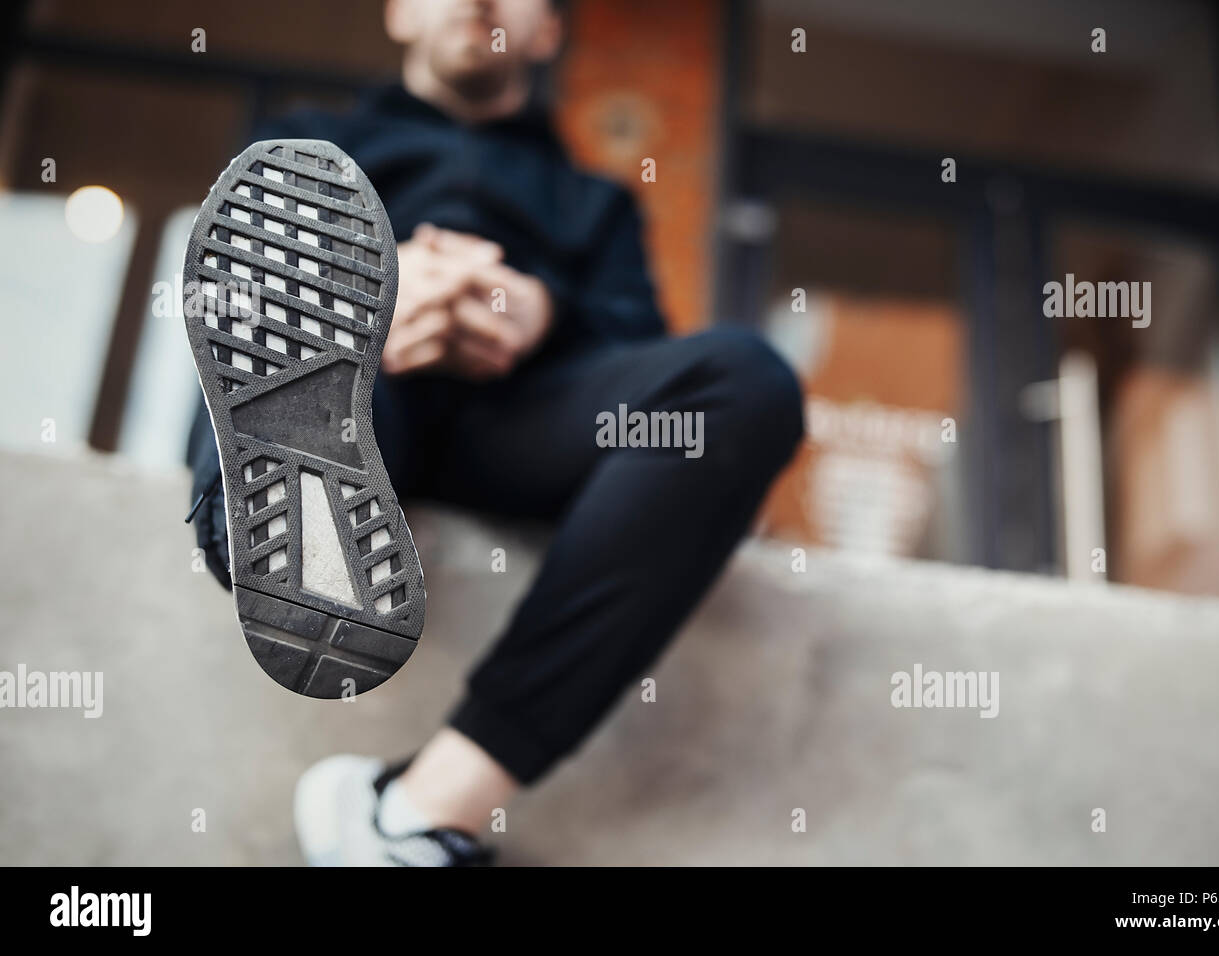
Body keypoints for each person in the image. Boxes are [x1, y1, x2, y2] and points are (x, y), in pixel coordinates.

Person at [187, 0, 804, 866]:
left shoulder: (597, 205)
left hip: (524, 425)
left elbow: (638, 357)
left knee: (743, 383)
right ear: (401, 12)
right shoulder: (313, 142)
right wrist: (391, 302)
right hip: (366, 398)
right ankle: (273, 524)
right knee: (287, 228)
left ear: (548, 32)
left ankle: (419, 809)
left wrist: (534, 309)